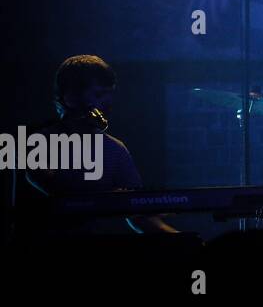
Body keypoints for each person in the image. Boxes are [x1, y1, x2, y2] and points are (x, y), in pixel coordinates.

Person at [26, 55, 177, 234]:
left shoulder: (116, 149)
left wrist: (181, 239)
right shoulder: (39, 143)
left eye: (110, 94)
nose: (108, 103)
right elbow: (58, 190)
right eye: (98, 94)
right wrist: (112, 197)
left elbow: (138, 214)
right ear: (70, 97)